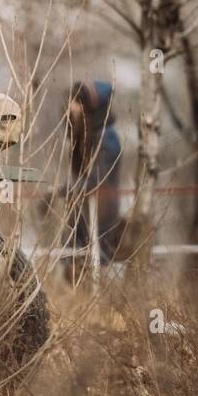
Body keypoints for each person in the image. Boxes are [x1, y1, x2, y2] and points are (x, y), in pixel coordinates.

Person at [66, 81, 123, 264]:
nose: (71, 109)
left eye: (77, 103)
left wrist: (68, 189)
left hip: (102, 213)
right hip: (86, 212)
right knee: (74, 261)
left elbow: (100, 179)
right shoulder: (87, 136)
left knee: (100, 263)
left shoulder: (106, 137)